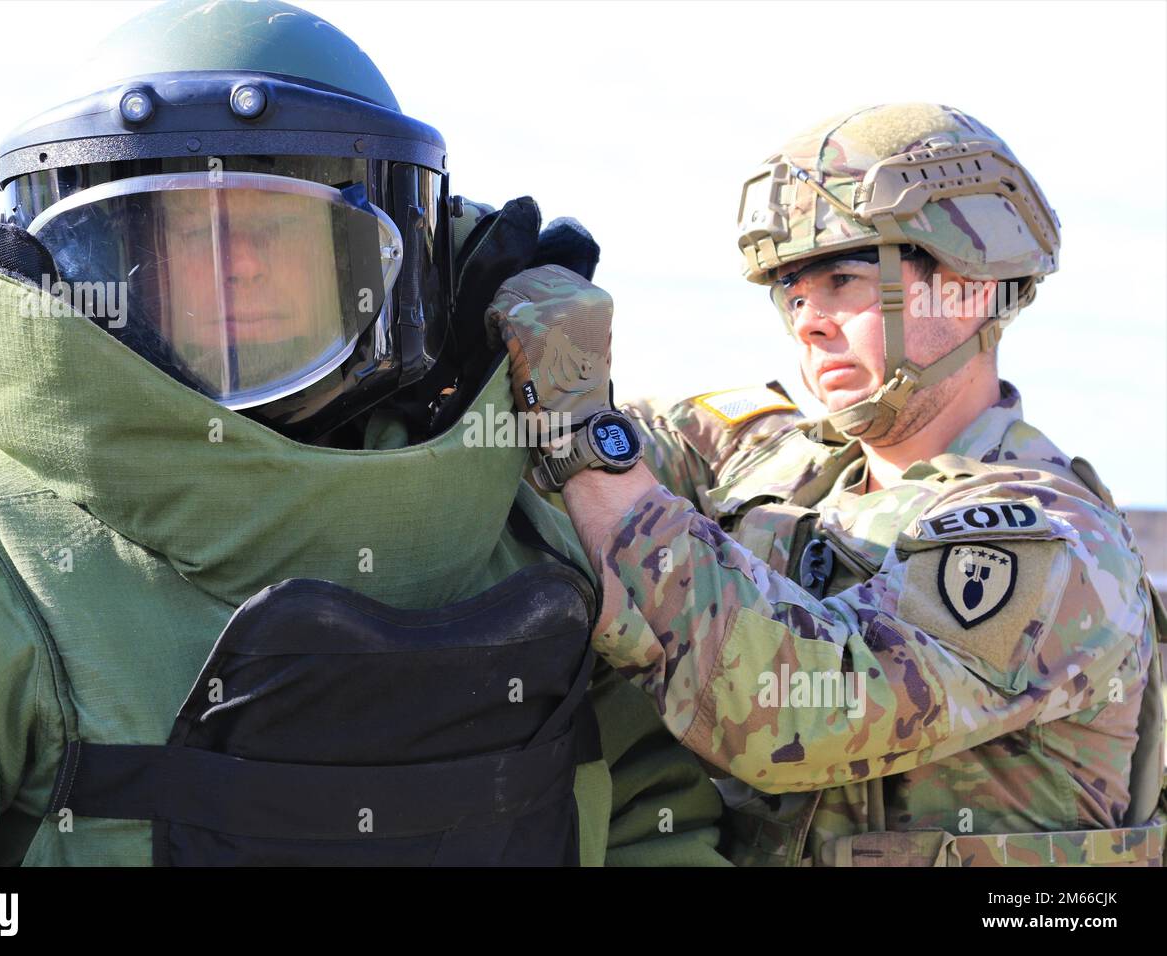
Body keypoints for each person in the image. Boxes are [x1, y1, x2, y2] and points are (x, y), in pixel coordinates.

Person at [0, 0, 728, 866]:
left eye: (278, 232)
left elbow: (657, 818)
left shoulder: (538, 523)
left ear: (389, 266)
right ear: (106, 264)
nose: (236, 269)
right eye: (188, 237)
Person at [490, 103, 1165, 866]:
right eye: (793, 292)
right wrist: (489, 353)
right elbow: (599, 465)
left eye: (843, 279)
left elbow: (790, 709)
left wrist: (579, 429)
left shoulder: (1047, 546)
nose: (809, 321)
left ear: (970, 287)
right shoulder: (779, 460)